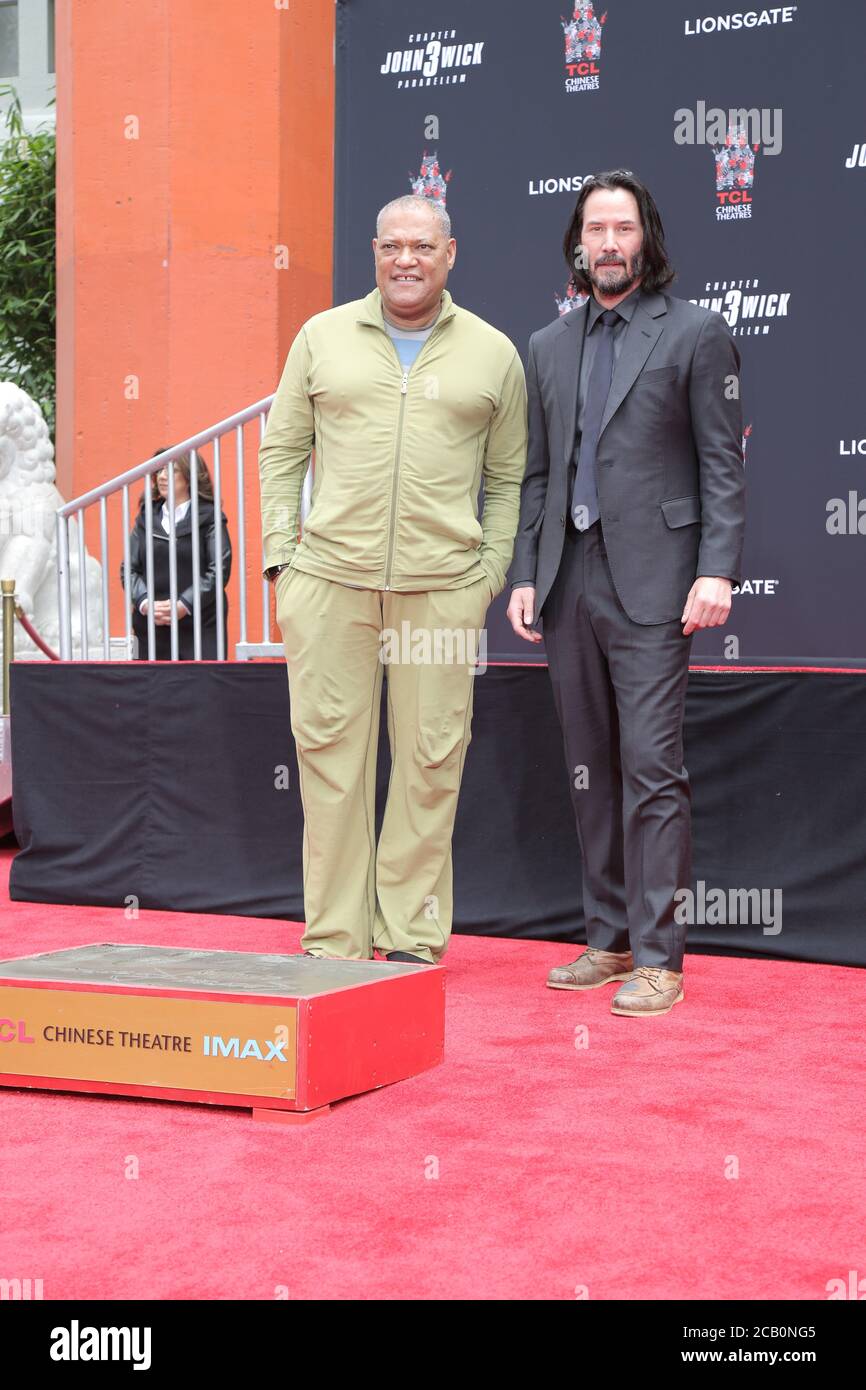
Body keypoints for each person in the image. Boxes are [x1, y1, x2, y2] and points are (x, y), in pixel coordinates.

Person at [259, 194, 527, 964]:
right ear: (374, 252)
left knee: (430, 765)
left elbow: (508, 479)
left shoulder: (492, 353)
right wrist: (283, 559)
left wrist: (485, 575)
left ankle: (409, 940)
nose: (405, 260)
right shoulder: (322, 337)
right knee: (331, 765)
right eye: (391, 246)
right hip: (329, 584)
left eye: (422, 246)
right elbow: (281, 454)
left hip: (441, 590)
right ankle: (336, 944)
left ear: (451, 254)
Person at [507, 169, 745, 1017]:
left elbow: (723, 461)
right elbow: (539, 475)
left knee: (651, 769)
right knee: (587, 770)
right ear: (578, 243)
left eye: (624, 230)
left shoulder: (695, 332)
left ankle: (660, 956)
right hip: (570, 581)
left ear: (648, 240)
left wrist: (717, 568)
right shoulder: (546, 345)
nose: (609, 244)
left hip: (658, 581)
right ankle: (606, 940)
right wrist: (528, 573)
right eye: (596, 229)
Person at [122, 449, 232, 660]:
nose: (162, 476)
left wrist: (184, 604)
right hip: (151, 627)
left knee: (199, 690)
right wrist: (146, 604)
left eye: (172, 470)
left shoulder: (210, 518)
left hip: (201, 624)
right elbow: (129, 569)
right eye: (160, 470)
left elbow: (219, 568)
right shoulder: (145, 519)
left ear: (190, 476)